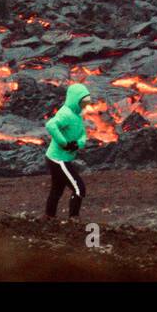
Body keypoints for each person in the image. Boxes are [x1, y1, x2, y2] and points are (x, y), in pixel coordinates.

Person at [44, 82, 91, 218]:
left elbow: (82, 134)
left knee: (57, 190)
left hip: (61, 157)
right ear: (75, 99)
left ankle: (49, 218)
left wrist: (77, 144)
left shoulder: (77, 115)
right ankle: (73, 219)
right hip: (58, 158)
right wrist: (64, 143)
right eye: (83, 102)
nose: (85, 105)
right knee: (79, 188)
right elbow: (51, 125)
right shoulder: (66, 113)